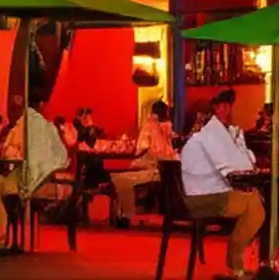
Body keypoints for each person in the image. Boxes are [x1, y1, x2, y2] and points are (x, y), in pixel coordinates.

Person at [180, 90, 264, 278]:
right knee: (255, 204)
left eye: (229, 106)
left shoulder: (221, 133)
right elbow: (236, 168)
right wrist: (239, 143)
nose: (228, 111)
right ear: (215, 109)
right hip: (199, 198)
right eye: (223, 106)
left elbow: (246, 163)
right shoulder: (211, 135)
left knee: (255, 200)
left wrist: (238, 140)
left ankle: (237, 265)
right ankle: (236, 265)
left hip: (207, 192)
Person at [0, 96, 69, 247]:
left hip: (30, 180)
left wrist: (13, 152)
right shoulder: (20, 126)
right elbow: (7, 151)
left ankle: (0, 235)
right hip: (18, 176)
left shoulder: (34, 128)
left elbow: (22, 154)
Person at [111, 100, 177, 228]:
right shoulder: (157, 128)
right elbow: (148, 152)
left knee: (121, 179)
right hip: (159, 168)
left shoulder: (156, 128)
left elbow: (144, 151)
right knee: (122, 179)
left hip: (157, 169)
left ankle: (125, 215)